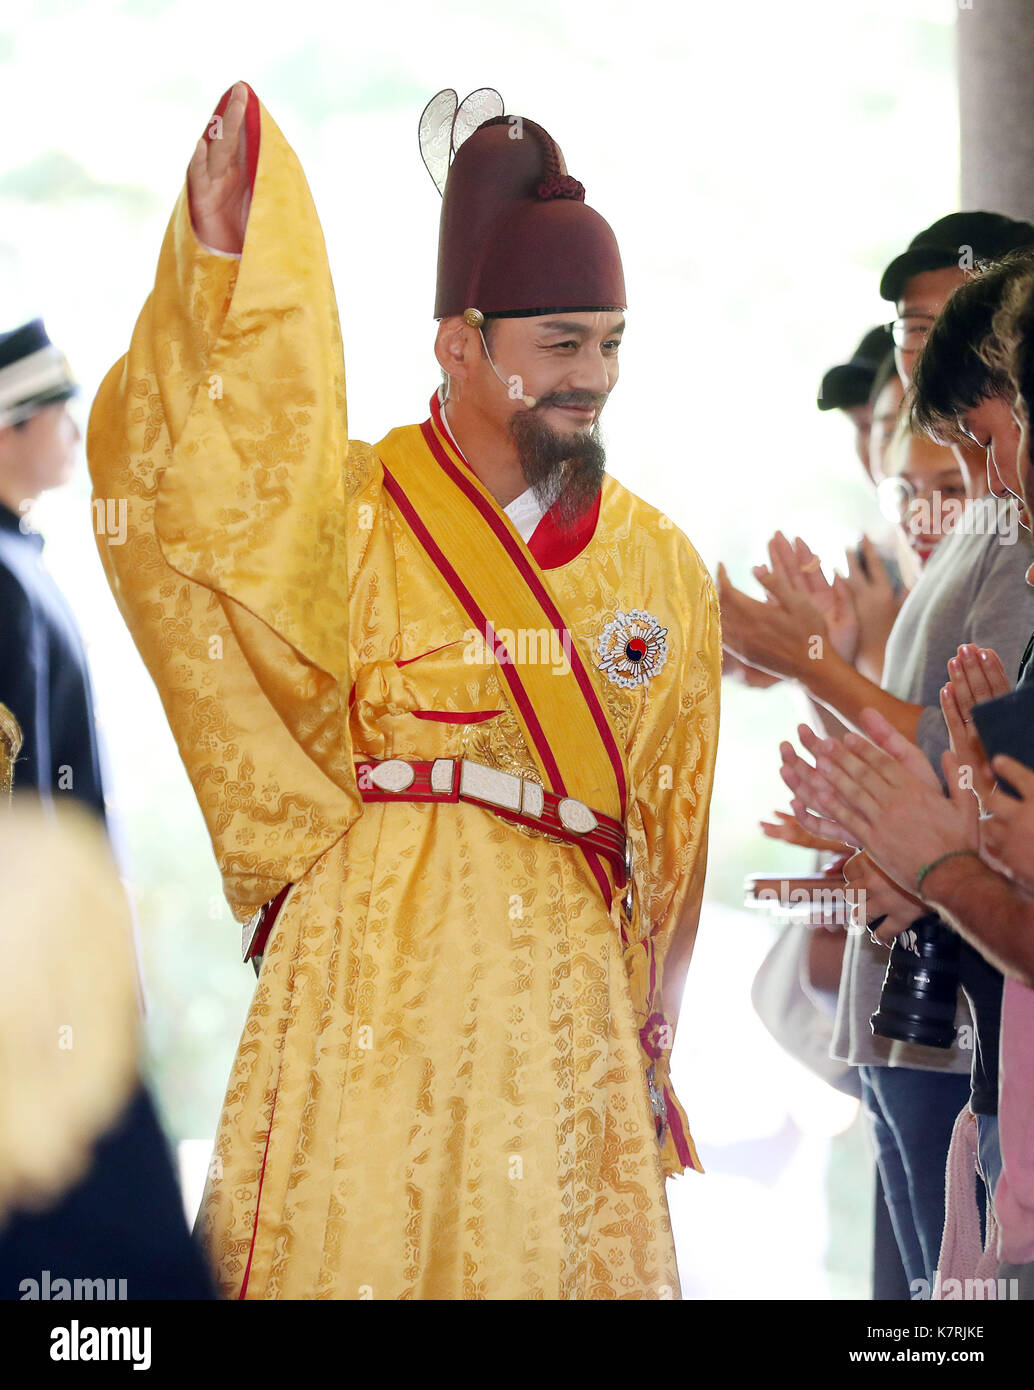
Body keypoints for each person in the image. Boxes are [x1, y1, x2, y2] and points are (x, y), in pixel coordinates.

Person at [86, 82, 721, 1300]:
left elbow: (670, 827)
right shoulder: (348, 513)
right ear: (460, 343)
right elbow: (180, 478)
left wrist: (645, 1032)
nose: (592, 378)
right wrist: (219, 263)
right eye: (561, 345)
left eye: (609, 344)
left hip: (559, 996)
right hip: (362, 965)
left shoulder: (658, 563)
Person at [0, 319, 108, 825]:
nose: (77, 433)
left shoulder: (21, 561)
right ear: (8, 426)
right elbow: (18, 789)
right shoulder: (6, 576)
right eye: (61, 413)